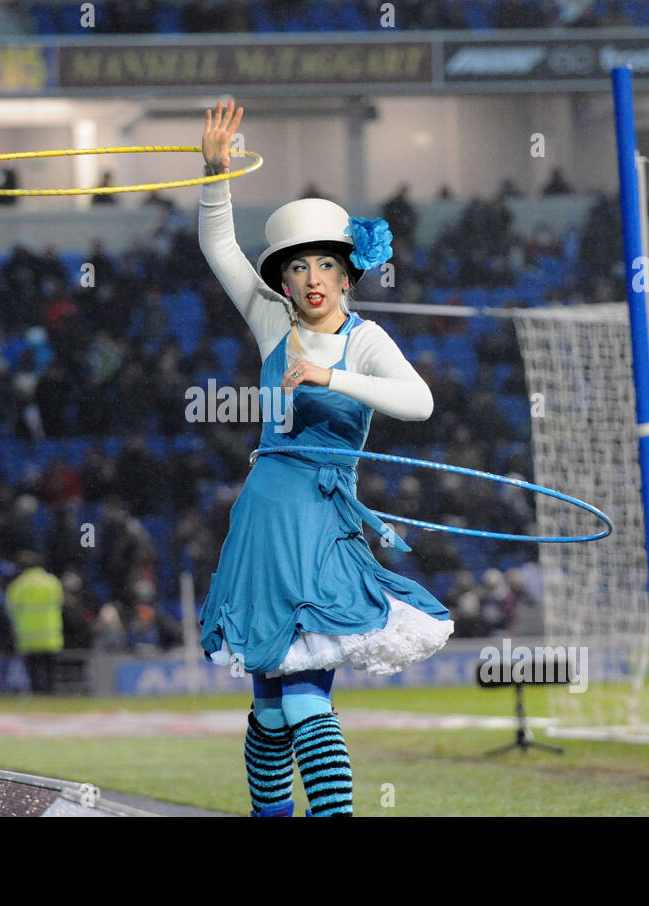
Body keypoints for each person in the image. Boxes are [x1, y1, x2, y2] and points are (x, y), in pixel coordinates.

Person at [195, 101, 454, 817]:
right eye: (299, 266)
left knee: (306, 696)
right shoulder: (272, 320)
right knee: (270, 707)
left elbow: (421, 402)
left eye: (327, 265)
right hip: (263, 515)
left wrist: (329, 375)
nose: (313, 277)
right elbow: (219, 249)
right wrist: (215, 173)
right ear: (283, 280)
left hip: (322, 515)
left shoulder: (365, 340)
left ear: (348, 276)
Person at [5, 550, 64, 694]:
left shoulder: (18, 585)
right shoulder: (52, 582)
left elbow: (10, 610)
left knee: (34, 674)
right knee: (50, 673)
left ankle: (38, 696)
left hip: (28, 638)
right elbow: (60, 604)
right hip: (50, 636)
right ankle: (51, 696)